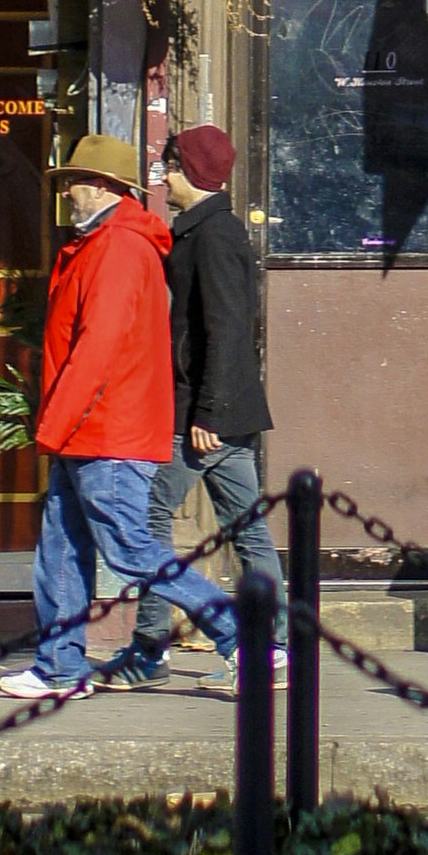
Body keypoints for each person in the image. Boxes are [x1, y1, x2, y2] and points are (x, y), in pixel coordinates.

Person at [0, 134, 243, 702]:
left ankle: (236, 631)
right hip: (92, 425)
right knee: (62, 546)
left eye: (73, 182)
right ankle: (59, 667)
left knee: (130, 549)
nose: (67, 192)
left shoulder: (116, 248)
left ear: (101, 187)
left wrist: (53, 424)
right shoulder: (104, 243)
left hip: (108, 427)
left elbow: (98, 348)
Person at [128, 123, 287, 675]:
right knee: (248, 530)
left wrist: (208, 411)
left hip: (203, 412)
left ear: (189, 172)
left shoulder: (213, 236)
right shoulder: (206, 230)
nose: (162, 177)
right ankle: (279, 643)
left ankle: (149, 647)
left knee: (145, 518)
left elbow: (225, 326)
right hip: (220, 410)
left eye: (168, 167)